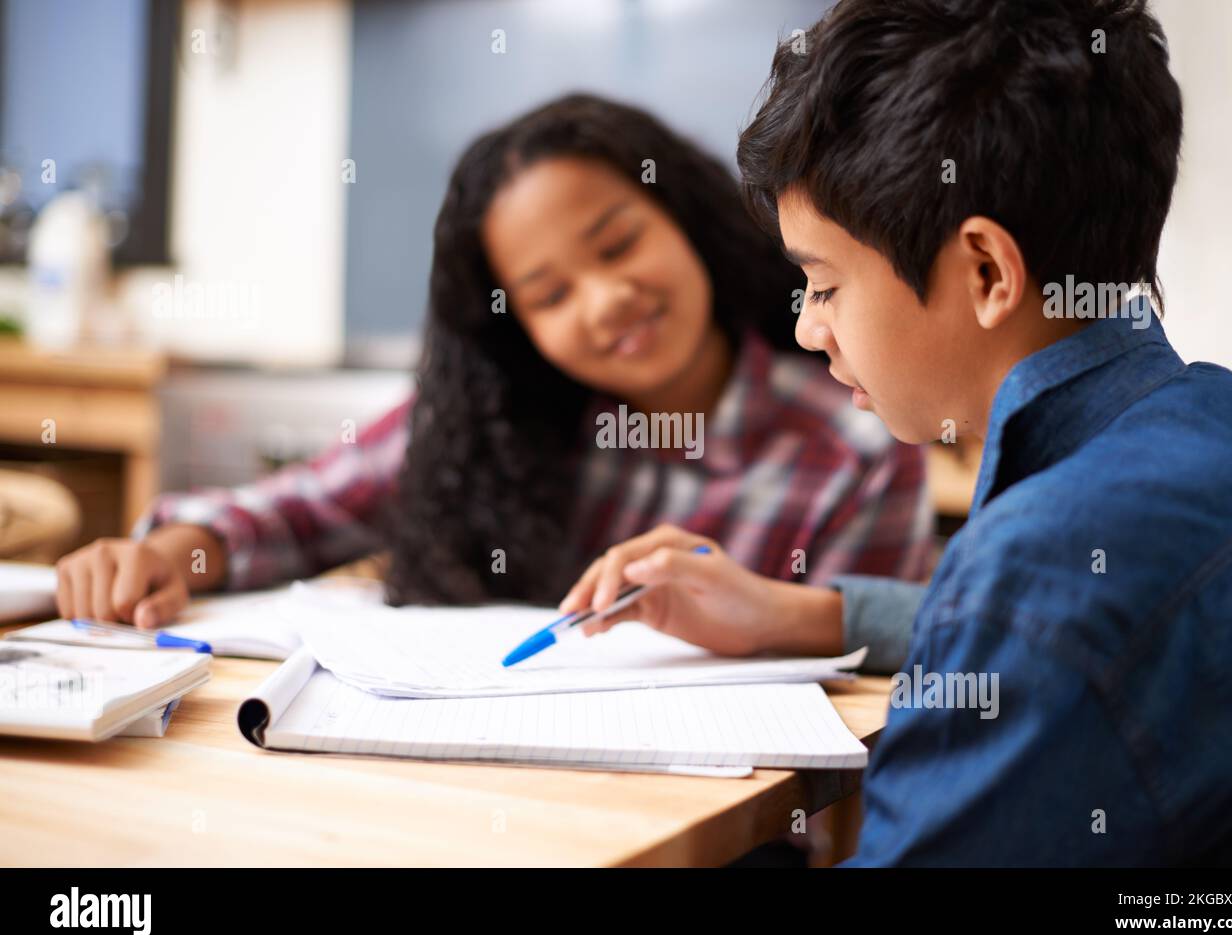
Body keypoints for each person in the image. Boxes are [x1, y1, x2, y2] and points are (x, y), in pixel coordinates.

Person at [562, 1, 1232, 865]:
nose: (808, 329)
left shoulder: (1040, 567)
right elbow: (1092, 628)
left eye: (827, 286)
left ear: (987, 272)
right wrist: (793, 616)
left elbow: (1042, 616)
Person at [55, 94, 930, 635]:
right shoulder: (497, 419)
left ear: (687, 222)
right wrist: (180, 549)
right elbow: (298, 512)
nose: (603, 301)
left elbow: (864, 681)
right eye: (547, 294)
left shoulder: (852, 444)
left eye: (619, 244)